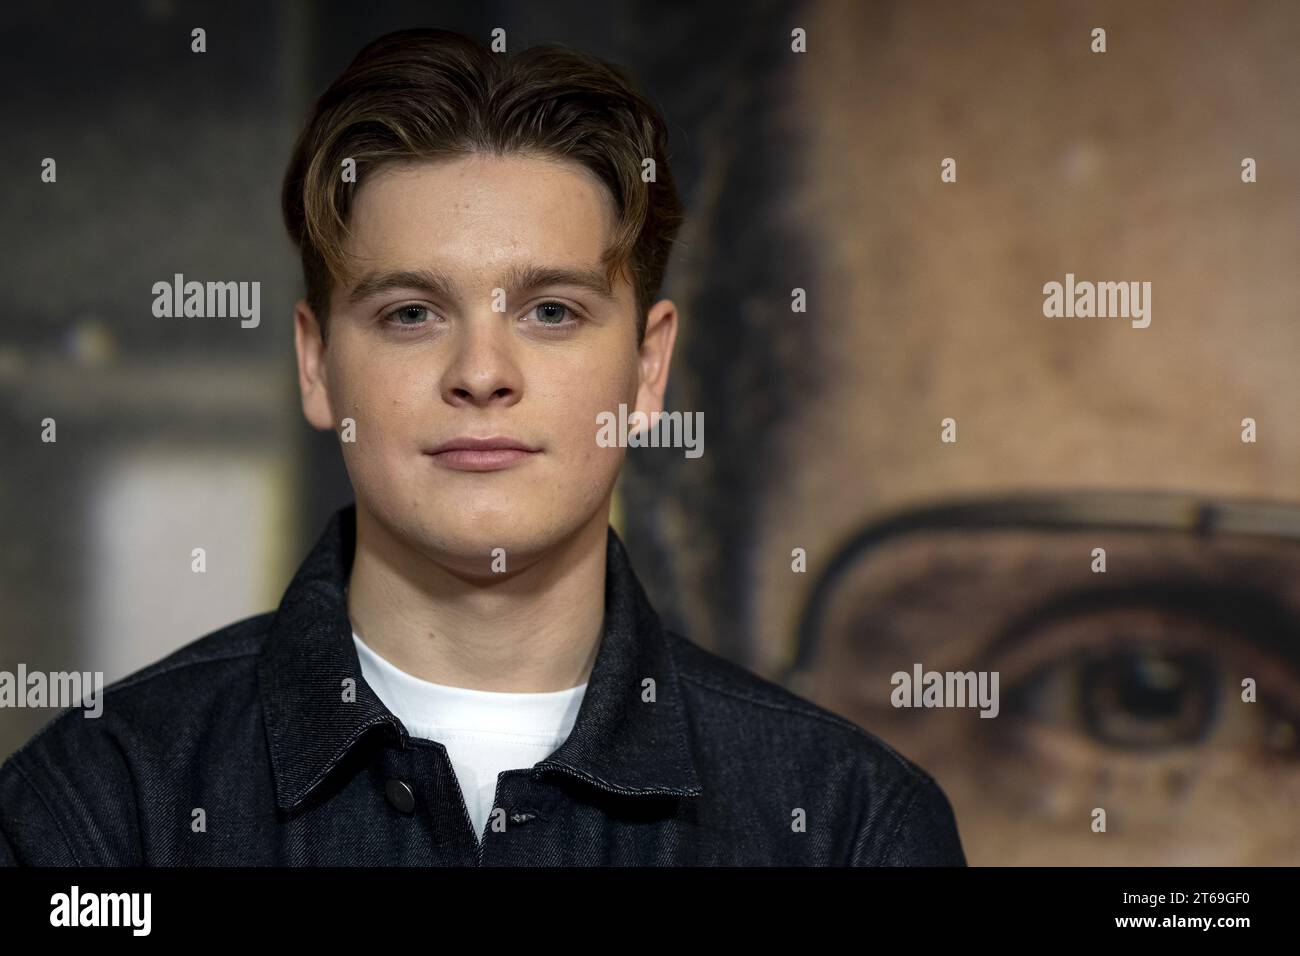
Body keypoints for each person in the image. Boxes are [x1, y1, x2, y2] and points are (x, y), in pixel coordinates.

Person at [0, 27, 964, 866]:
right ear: (316, 365)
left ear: (646, 370)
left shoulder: (847, 825)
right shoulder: (103, 804)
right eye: (412, 312)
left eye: (551, 311)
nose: (482, 372)